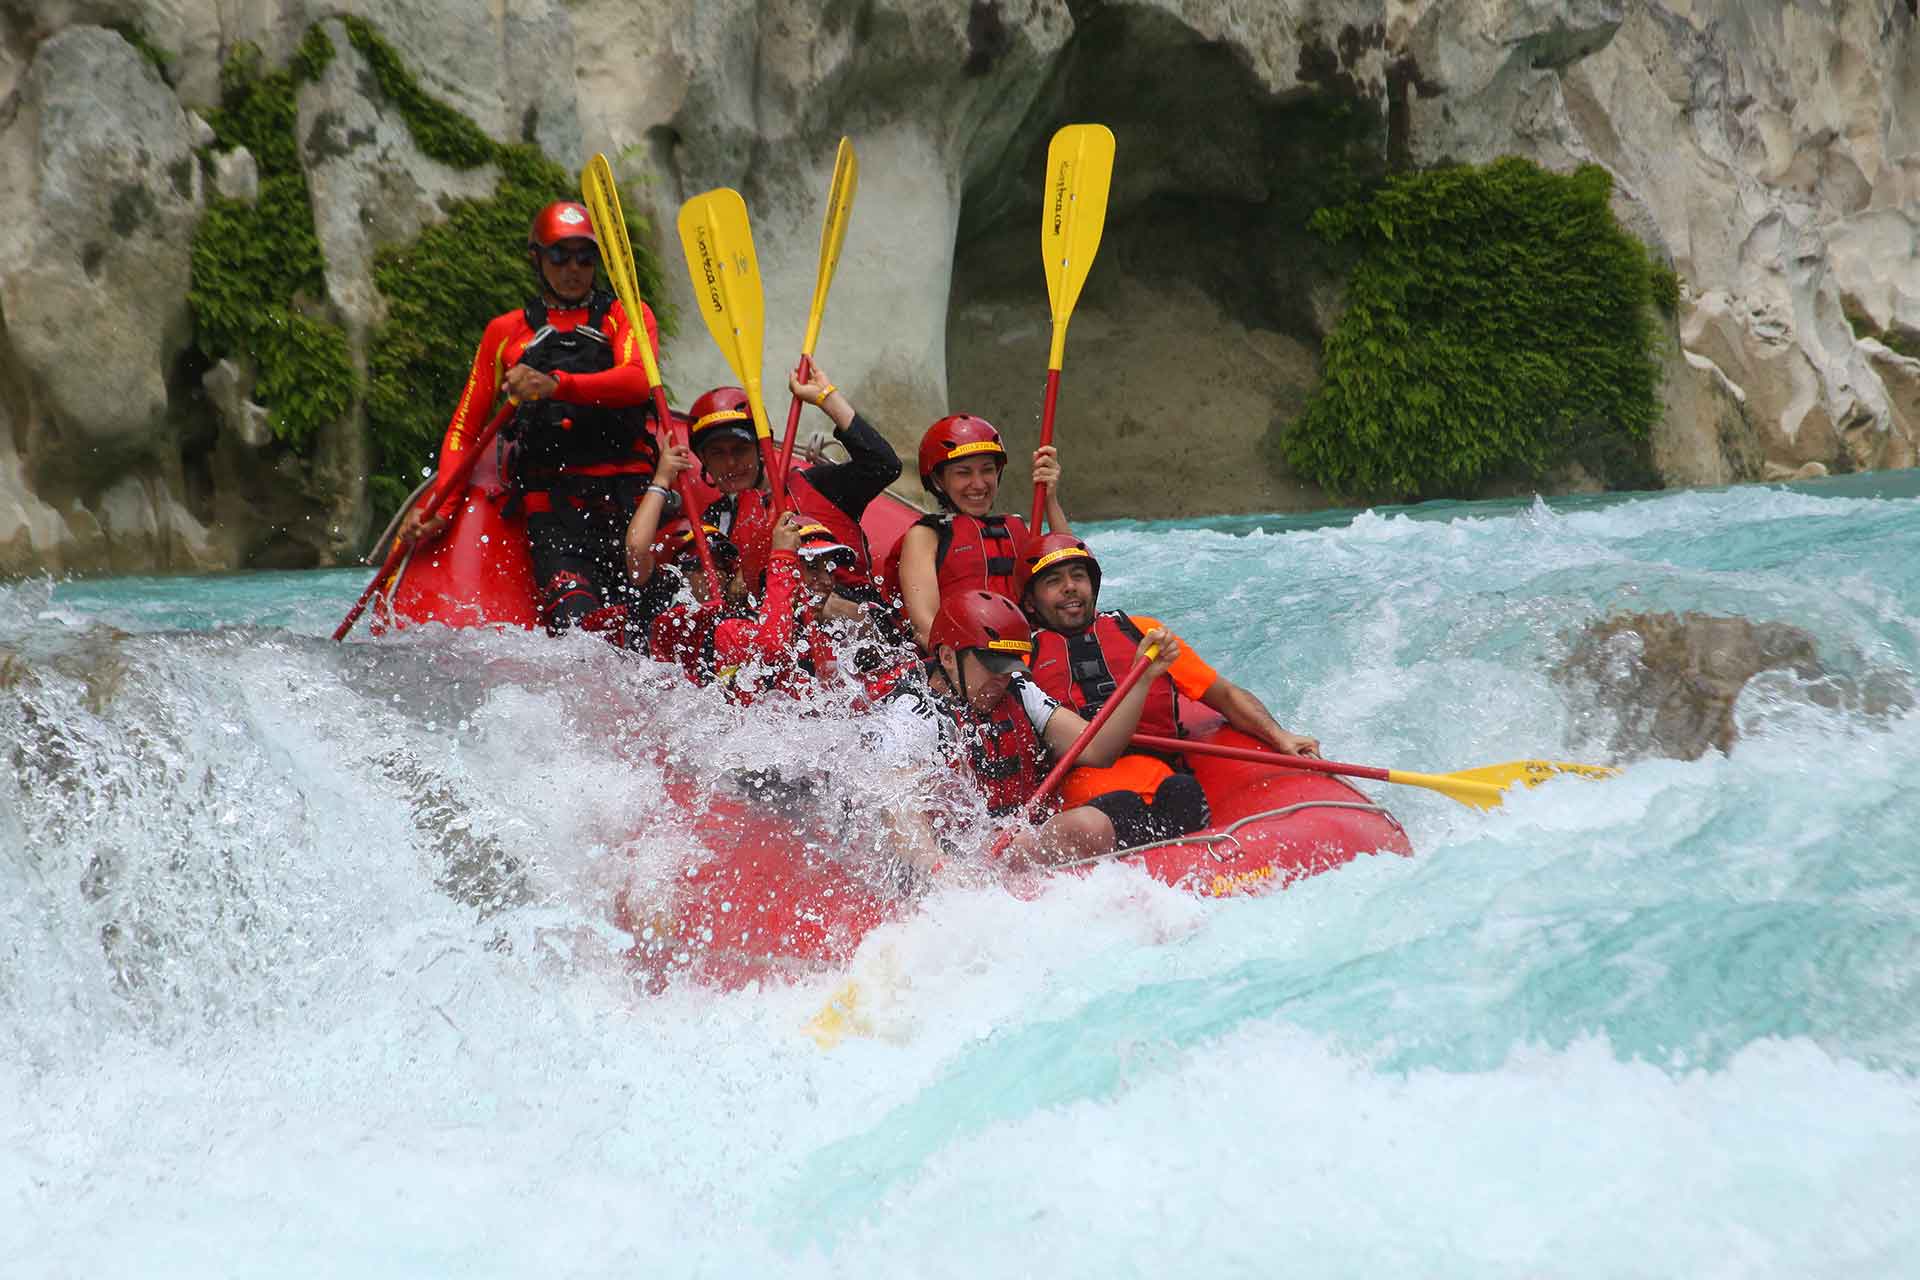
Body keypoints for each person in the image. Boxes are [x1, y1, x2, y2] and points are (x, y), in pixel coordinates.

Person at [398, 200, 664, 642]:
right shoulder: (505, 333)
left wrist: (556, 384)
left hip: (630, 507)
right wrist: (440, 508)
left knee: (647, 634)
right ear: (537, 259)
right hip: (555, 514)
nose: (573, 267)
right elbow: (465, 430)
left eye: (585, 255)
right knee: (581, 636)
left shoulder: (626, 316)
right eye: (560, 255)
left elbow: (638, 381)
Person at [865, 591, 1200, 870]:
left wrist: (1140, 681)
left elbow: (1099, 749)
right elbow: (897, 811)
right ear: (949, 657)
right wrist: (940, 869)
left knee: (1119, 812)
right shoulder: (910, 713)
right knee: (1070, 831)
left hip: (1018, 838)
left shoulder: (1019, 690)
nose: (1002, 678)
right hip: (952, 859)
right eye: (992, 667)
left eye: (1009, 667)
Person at [1017, 533, 1320, 818]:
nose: (1070, 586)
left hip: (1162, 787)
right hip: (1085, 805)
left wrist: (1279, 736)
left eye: (1078, 576)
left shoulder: (1144, 633)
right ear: (1031, 602)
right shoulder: (1021, 659)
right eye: (1054, 581)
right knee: (1122, 808)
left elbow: (1226, 695)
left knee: (1182, 792)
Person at [686, 366, 900, 591]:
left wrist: (827, 398)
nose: (730, 463)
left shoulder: (820, 486)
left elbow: (884, 465)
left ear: (761, 447)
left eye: (740, 449)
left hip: (846, 612)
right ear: (703, 459)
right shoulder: (715, 520)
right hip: (776, 617)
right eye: (717, 453)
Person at [885, 415, 1067, 650]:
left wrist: (1050, 499)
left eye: (987, 470)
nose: (979, 484)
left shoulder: (1018, 528)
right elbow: (925, 629)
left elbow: (1073, 571)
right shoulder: (926, 536)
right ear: (939, 480)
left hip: (1026, 654)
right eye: (964, 473)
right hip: (966, 664)